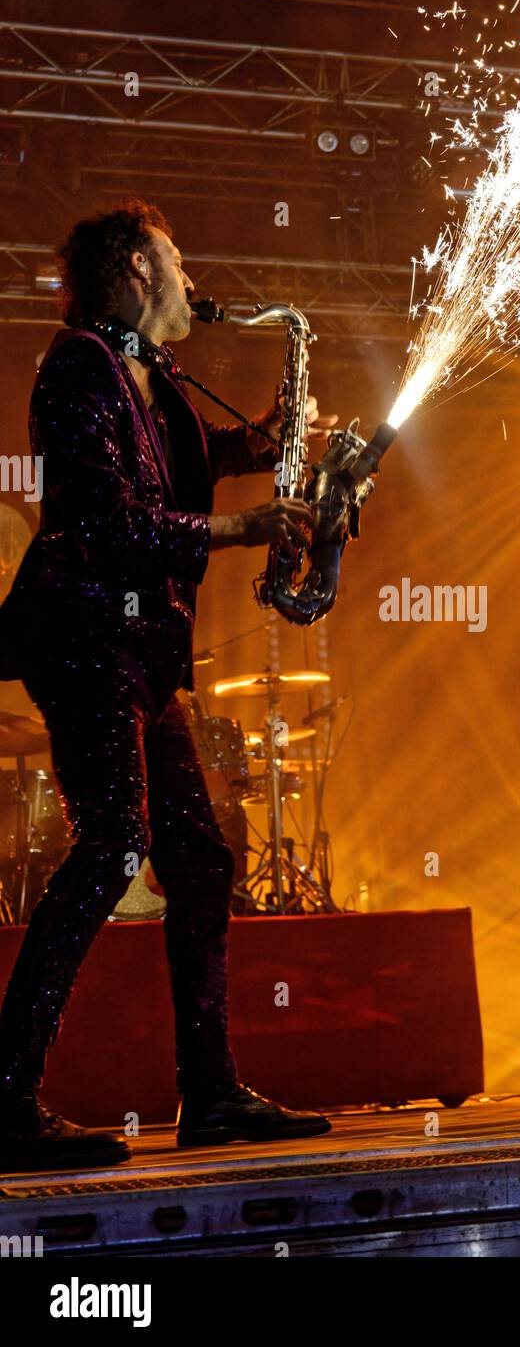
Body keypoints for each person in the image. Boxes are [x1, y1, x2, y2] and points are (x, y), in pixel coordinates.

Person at [0, 198, 335, 1170]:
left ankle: (211, 1092)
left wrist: (274, 440)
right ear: (137, 271)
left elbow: (184, 468)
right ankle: (7, 1094)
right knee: (114, 845)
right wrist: (240, 533)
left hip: (142, 651)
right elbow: (106, 520)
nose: (194, 280)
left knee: (198, 858)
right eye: (177, 260)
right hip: (84, 634)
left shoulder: (154, 378)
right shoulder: (78, 365)